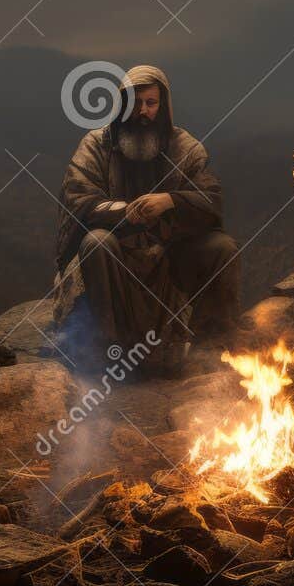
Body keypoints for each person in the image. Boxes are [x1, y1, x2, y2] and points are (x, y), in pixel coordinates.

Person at [54, 64, 239, 368]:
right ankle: (109, 351)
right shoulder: (95, 146)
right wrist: (125, 212)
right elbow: (78, 200)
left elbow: (211, 200)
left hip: (171, 254)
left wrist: (170, 201)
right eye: (135, 103)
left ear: (163, 107)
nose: (143, 111)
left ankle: (210, 351)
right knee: (96, 243)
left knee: (222, 248)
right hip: (116, 255)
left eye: (151, 103)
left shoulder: (186, 148)